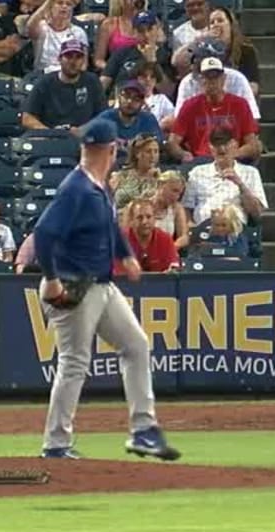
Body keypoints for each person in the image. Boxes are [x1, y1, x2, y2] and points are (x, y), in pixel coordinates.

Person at [32, 118, 181, 461]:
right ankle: (55, 444)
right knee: (74, 363)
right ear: (111, 150)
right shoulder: (77, 189)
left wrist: (126, 256)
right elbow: (43, 233)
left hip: (102, 284)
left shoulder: (99, 185)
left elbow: (111, 228)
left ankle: (143, 431)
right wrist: (52, 279)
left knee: (136, 345)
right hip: (73, 286)